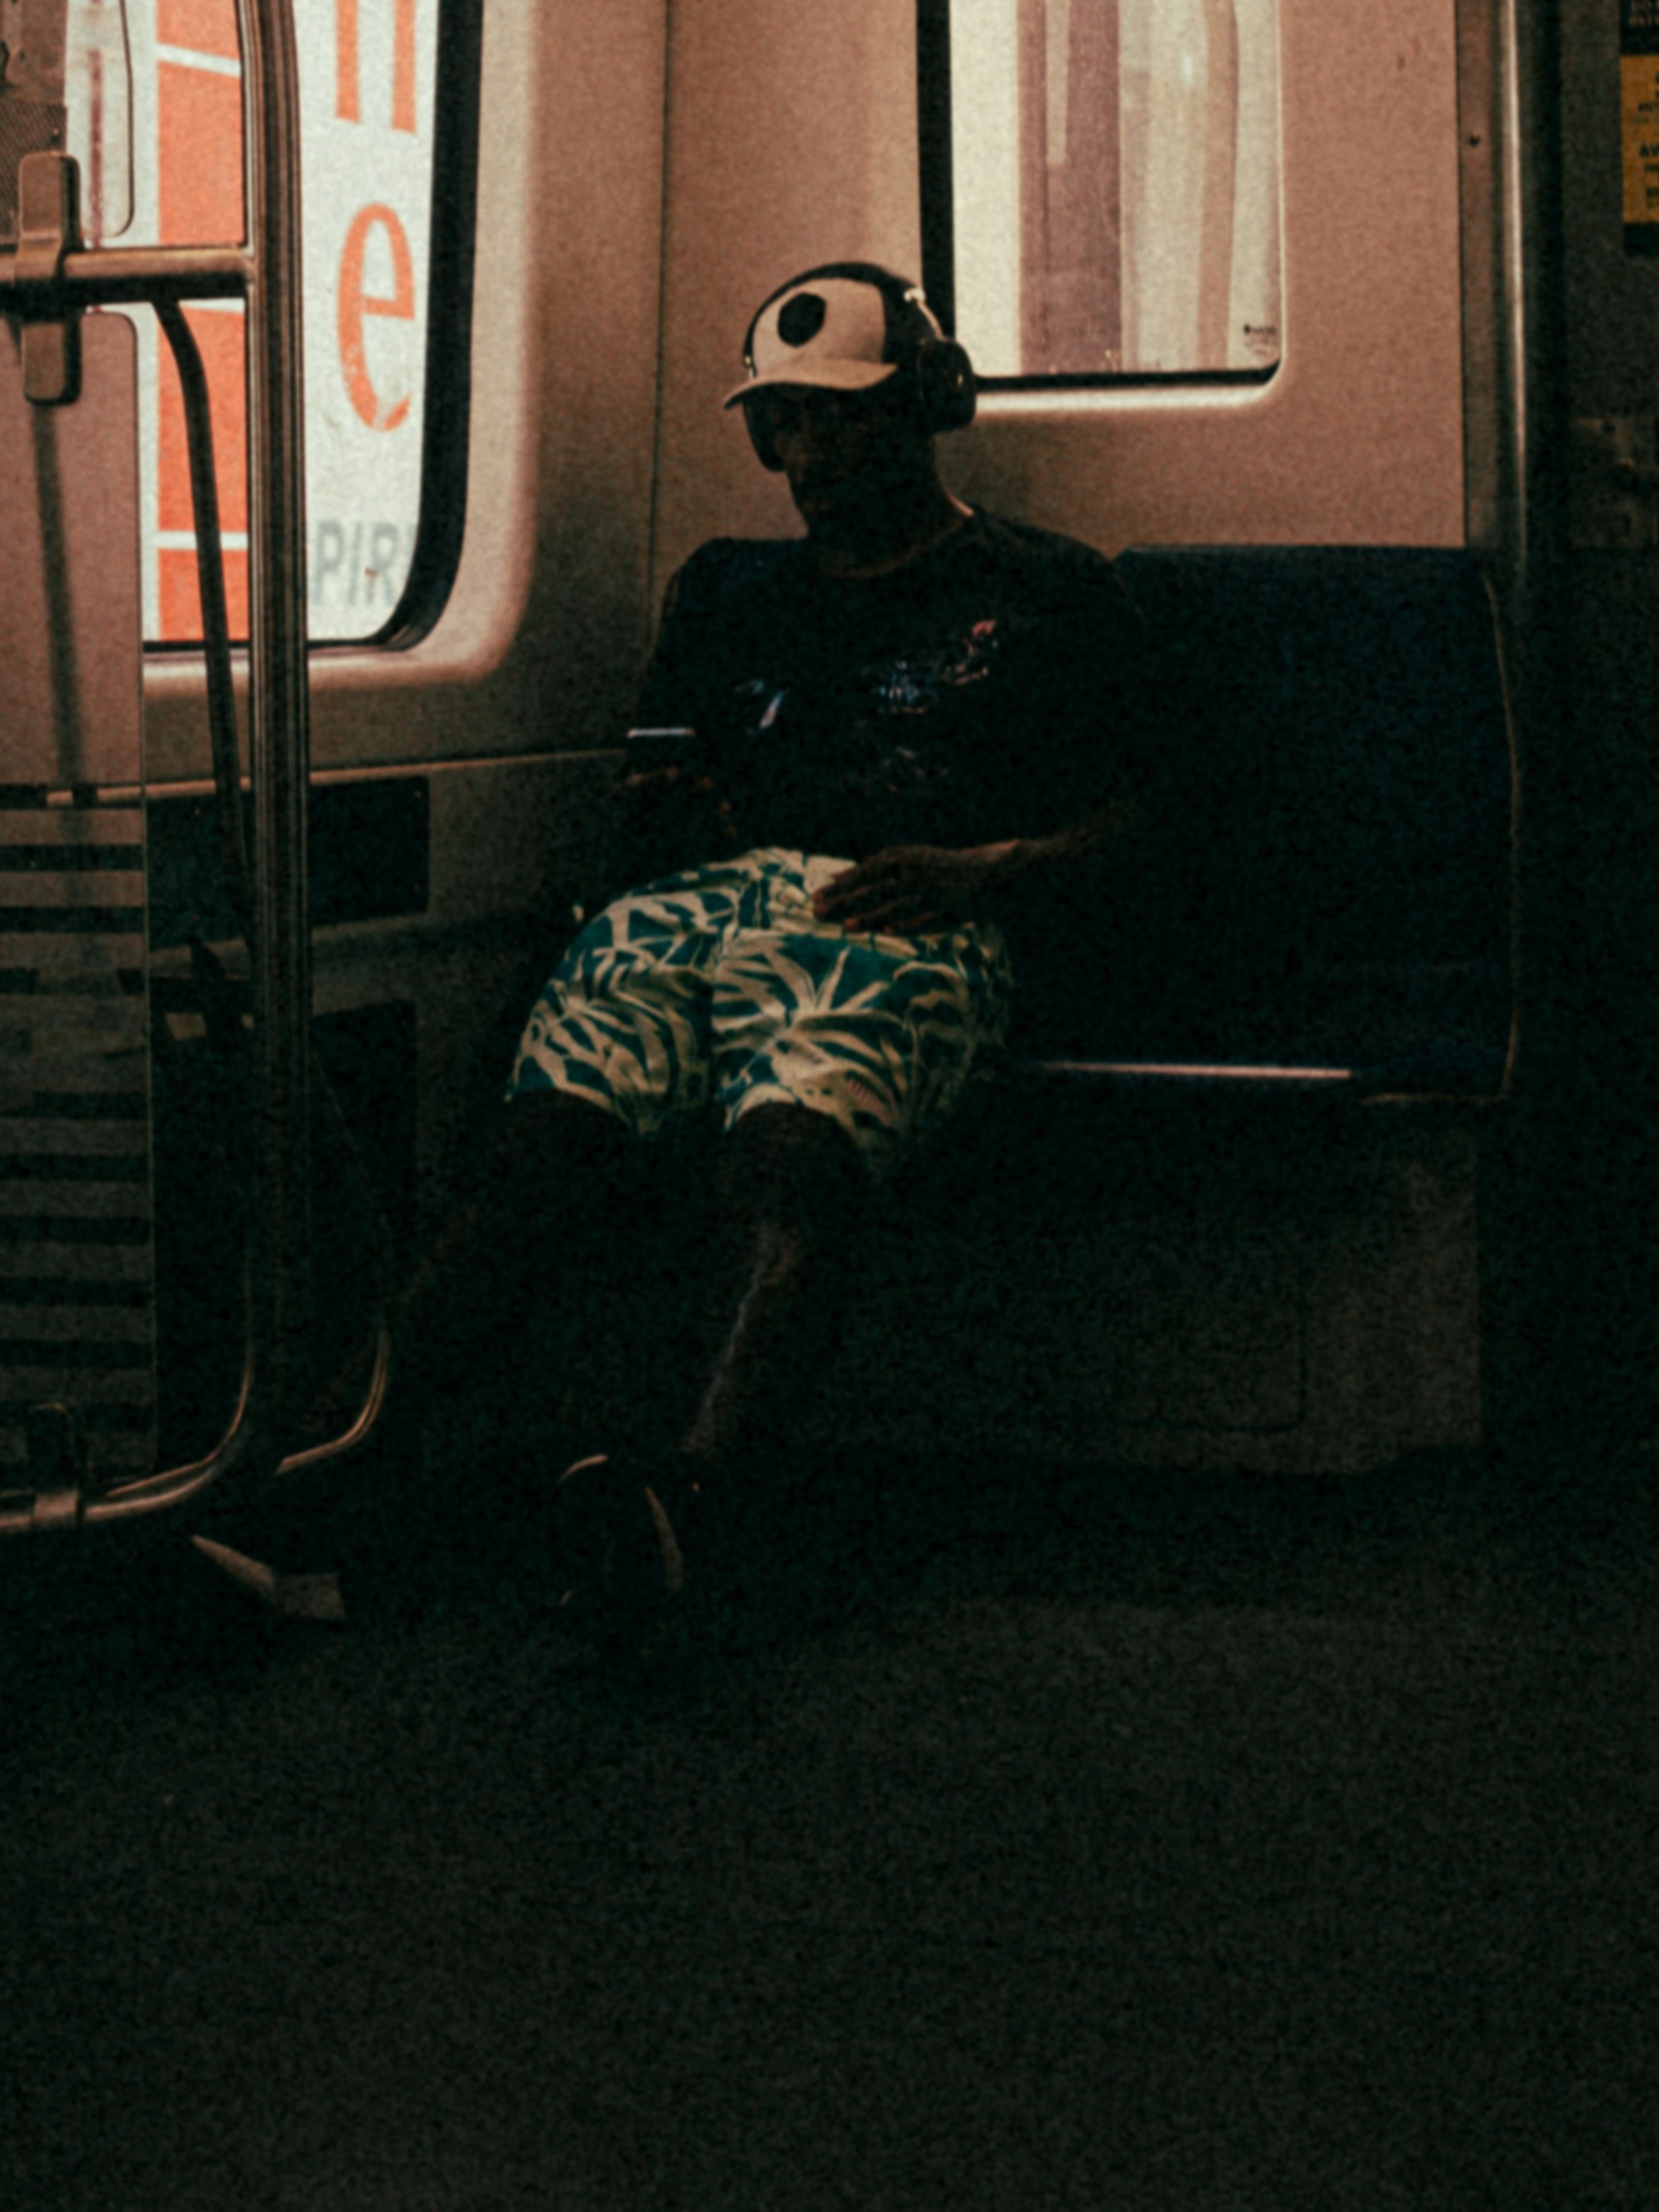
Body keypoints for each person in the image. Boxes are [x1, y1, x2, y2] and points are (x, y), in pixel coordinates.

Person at [309, 257, 1149, 1644]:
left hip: (902, 915)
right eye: (779, 426)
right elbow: (657, 791)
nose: (804, 456)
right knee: (543, 1147)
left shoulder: (1049, 590)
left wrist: (989, 870)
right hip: (698, 910)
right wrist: (677, 827)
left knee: (790, 1152)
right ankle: (325, 1470)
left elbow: (1146, 811)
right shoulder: (725, 592)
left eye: (838, 420)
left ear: (924, 406)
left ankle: (684, 1501)